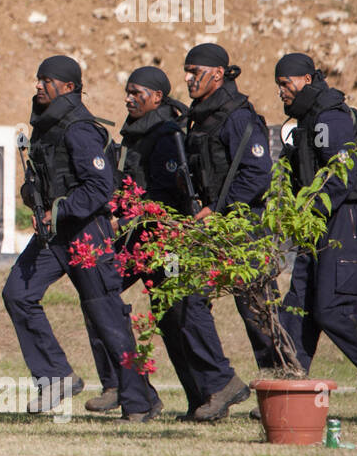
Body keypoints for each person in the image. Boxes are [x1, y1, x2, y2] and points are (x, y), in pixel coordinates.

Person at [3, 55, 161, 420]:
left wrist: (56, 209)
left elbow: (100, 187)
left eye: (47, 81)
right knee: (17, 293)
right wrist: (33, 194)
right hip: (55, 234)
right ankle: (56, 377)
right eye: (38, 79)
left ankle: (140, 402)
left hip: (87, 232)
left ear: (69, 87)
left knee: (105, 314)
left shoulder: (79, 128)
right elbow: (46, 177)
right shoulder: (46, 126)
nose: (39, 86)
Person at [82, 66, 245, 420]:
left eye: (136, 92)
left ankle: (217, 385)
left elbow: (170, 195)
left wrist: (129, 215)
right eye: (127, 91)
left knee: (179, 309)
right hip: (140, 236)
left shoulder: (167, 135)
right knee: (98, 292)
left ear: (157, 97)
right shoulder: (137, 135)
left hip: (168, 238)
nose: (128, 98)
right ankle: (128, 388)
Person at [180, 43, 270, 419]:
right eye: (185, 70)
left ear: (217, 74)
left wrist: (218, 211)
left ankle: (281, 384)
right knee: (186, 298)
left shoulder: (237, 116)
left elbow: (256, 174)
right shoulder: (199, 117)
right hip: (209, 225)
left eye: (194, 70)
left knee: (257, 309)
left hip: (241, 225)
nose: (187, 78)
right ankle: (222, 383)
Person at [274, 53, 357, 383]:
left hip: (342, 219)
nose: (281, 92)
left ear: (305, 80)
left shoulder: (330, 116)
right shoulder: (307, 120)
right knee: (297, 307)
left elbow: (339, 176)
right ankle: (287, 386)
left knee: (334, 312)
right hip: (314, 222)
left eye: (285, 84)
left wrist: (310, 209)